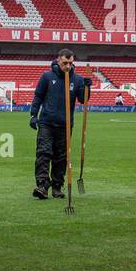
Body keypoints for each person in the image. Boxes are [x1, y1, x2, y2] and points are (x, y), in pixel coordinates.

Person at [28, 48, 91, 199]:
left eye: (70, 63)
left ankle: (57, 186)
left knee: (61, 157)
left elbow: (83, 99)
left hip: (65, 125)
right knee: (43, 153)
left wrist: (88, 86)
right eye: (65, 63)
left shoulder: (77, 79)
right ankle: (42, 185)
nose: (67, 66)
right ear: (58, 61)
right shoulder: (47, 76)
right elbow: (38, 96)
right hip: (46, 123)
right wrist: (33, 115)